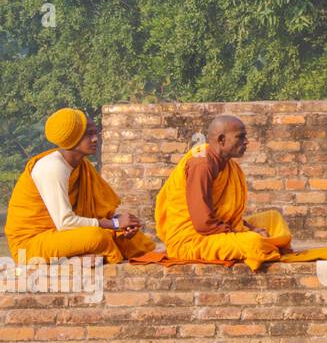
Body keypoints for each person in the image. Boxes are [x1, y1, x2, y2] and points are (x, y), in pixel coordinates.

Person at [4, 108, 154, 263]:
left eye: (95, 133)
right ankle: (75, 256)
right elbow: (65, 222)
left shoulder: (82, 166)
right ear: (73, 137)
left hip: (63, 236)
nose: (95, 139)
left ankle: (76, 256)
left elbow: (99, 210)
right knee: (98, 237)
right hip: (31, 243)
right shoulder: (52, 167)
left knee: (124, 236)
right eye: (88, 134)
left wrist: (120, 224)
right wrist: (115, 224)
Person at [154, 115, 295, 271]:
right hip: (191, 240)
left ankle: (270, 244)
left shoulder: (228, 165)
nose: (246, 141)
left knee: (273, 218)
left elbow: (225, 217)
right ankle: (270, 245)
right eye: (240, 137)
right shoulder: (202, 163)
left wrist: (249, 228)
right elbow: (203, 223)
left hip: (216, 230)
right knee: (254, 243)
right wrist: (245, 232)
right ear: (221, 140)